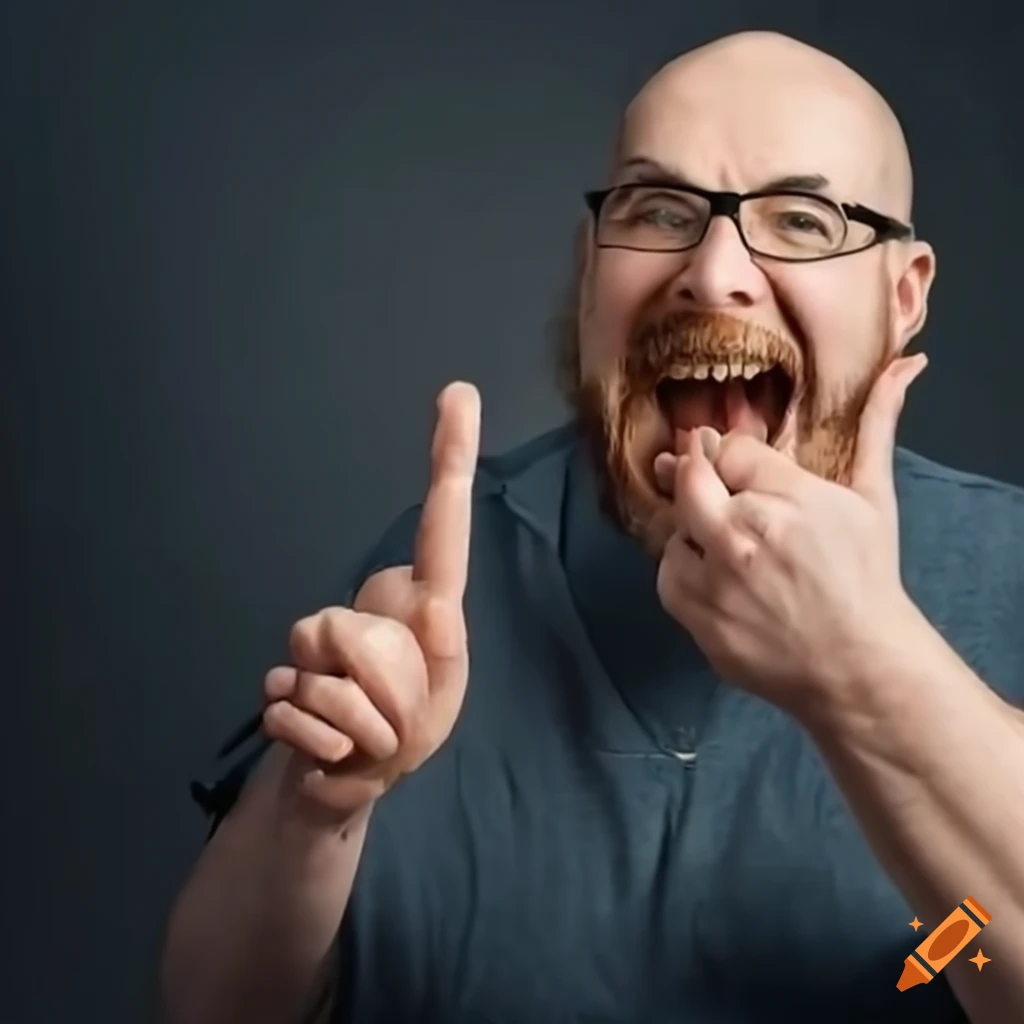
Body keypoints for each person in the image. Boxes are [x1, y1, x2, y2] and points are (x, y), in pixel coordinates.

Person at [157, 30, 1024, 1024]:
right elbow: (208, 1009)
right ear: (588, 269)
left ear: (901, 292)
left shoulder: (1005, 575)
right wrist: (318, 806)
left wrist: (862, 661)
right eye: (658, 211)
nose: (713, 272)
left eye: (800, 219)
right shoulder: (438, 579)